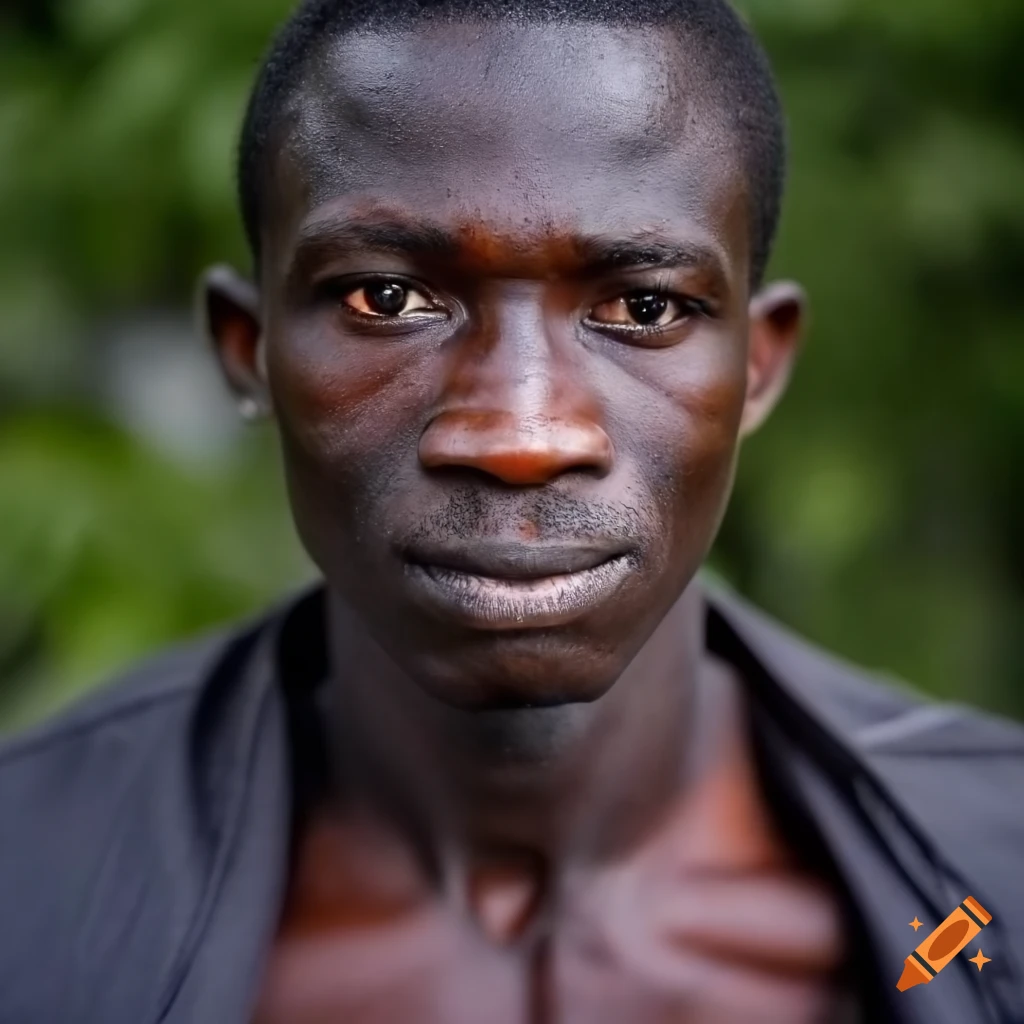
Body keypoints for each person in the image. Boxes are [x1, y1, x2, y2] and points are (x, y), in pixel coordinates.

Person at [1, 0, 1022, 1021]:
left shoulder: (994, 881)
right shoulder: (29, 892)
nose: (522, 435)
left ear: (755, 365)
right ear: (249, 349)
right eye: (385, 300)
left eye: (644, 307)